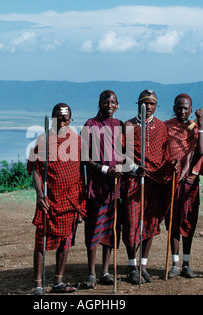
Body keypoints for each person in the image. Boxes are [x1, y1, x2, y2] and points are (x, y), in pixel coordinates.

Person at [27, 103, 87, 295]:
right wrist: (39, 194)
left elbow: (81, 171)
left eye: (65, 118)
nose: (62, 122)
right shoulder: (43, 141)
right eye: (58, 118)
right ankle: (38, 284)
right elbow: (36, 170)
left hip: (71, 201)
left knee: (65, 242)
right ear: (52, 119)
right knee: (41, 243)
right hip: (49, 201)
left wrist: (81, 202)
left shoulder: (77, 141)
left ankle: (57, 283)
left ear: (71, 119)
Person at [121, 89, 176, 284]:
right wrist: (135, 168)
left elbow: (165, 155)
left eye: (152, 104)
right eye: (145, 103)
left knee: (150, 224)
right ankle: (132, 266)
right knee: (132, 223)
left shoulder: (161, 127)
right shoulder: (128, 125)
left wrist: (172, 166)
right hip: (134, 182)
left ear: (156, 106)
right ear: (138, 104)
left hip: (154, 183)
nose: (148, 107)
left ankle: (143, 265)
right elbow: (122, 155)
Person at [82, 90, 124, 288]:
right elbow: (83, 156)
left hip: (115, 188)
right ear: (99, 103)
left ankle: (106, 271)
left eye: (112, 102)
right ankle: (91, 273)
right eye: (105, 101)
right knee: (93, 230)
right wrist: (105, 169)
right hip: (96, 187)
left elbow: (126, 155)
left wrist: (123, 169)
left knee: (111, 230)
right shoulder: (90, 125)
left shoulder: (120, 126)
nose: (109, 105)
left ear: (117, 105)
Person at [164, 93, 203, 279]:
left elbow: (202, 151)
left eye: (186, 108)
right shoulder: (165, 127)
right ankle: (174, 263)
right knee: (173, 222)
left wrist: (193, 173)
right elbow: (162, 151)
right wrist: (170, 167)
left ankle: (186, 263)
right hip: (171, 181)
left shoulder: (196, 129)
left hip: (190, 183)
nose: (182, 111)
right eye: (179, 107)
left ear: (191, 109)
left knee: (188, 221)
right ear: (174, 108)